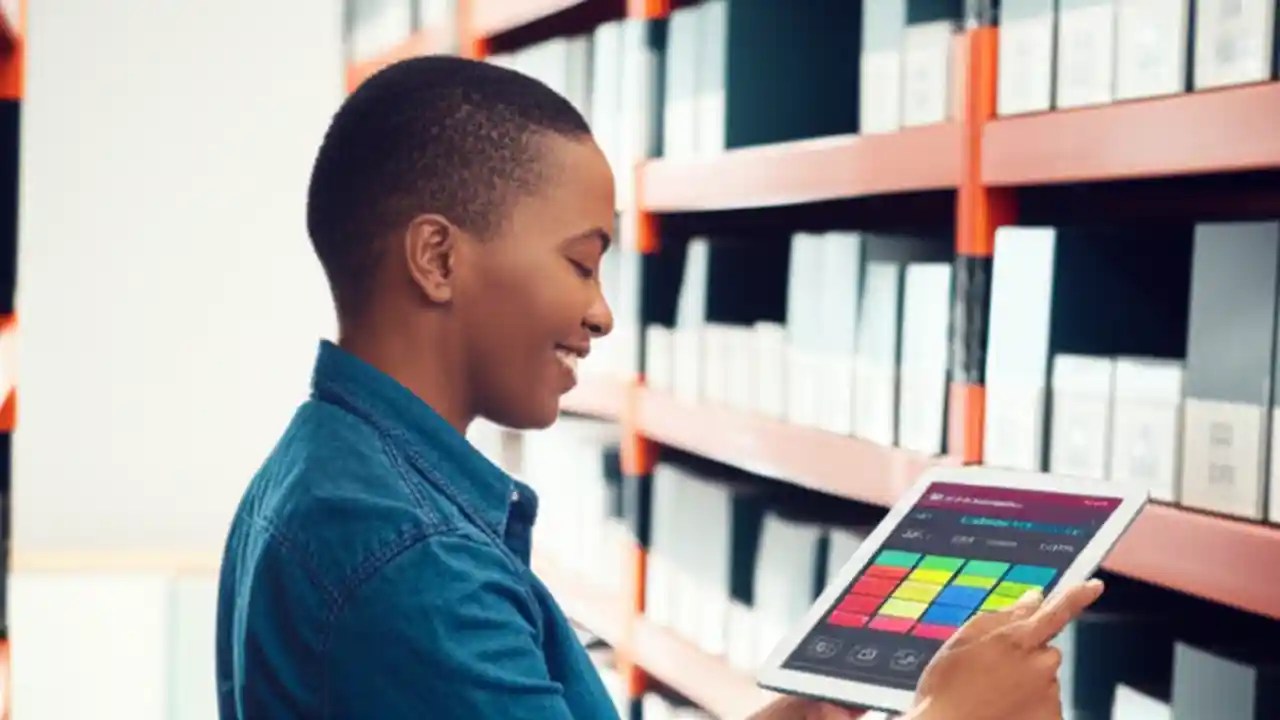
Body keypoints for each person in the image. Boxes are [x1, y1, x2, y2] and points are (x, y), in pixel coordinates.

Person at [215, 55, 1103, 719]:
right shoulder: (412, 561)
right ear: (438, 258)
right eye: (580, 262)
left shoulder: (322, 470)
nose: (601, 314)